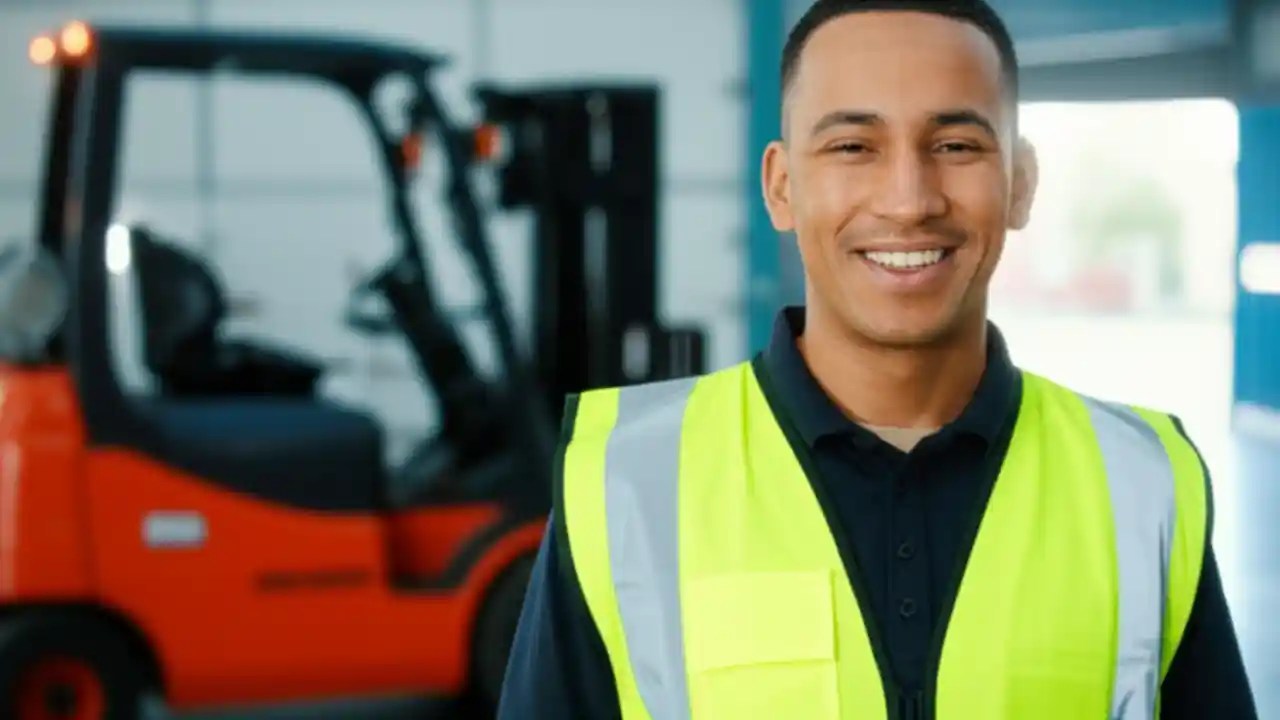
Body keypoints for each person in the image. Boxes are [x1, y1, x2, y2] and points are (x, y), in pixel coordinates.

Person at [497, 0, 1259, 717]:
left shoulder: (1142, 482)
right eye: (854, 146)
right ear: (782, 186)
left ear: (1020, 184)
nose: (907, 199)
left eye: (956, 145)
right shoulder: (626, 479)